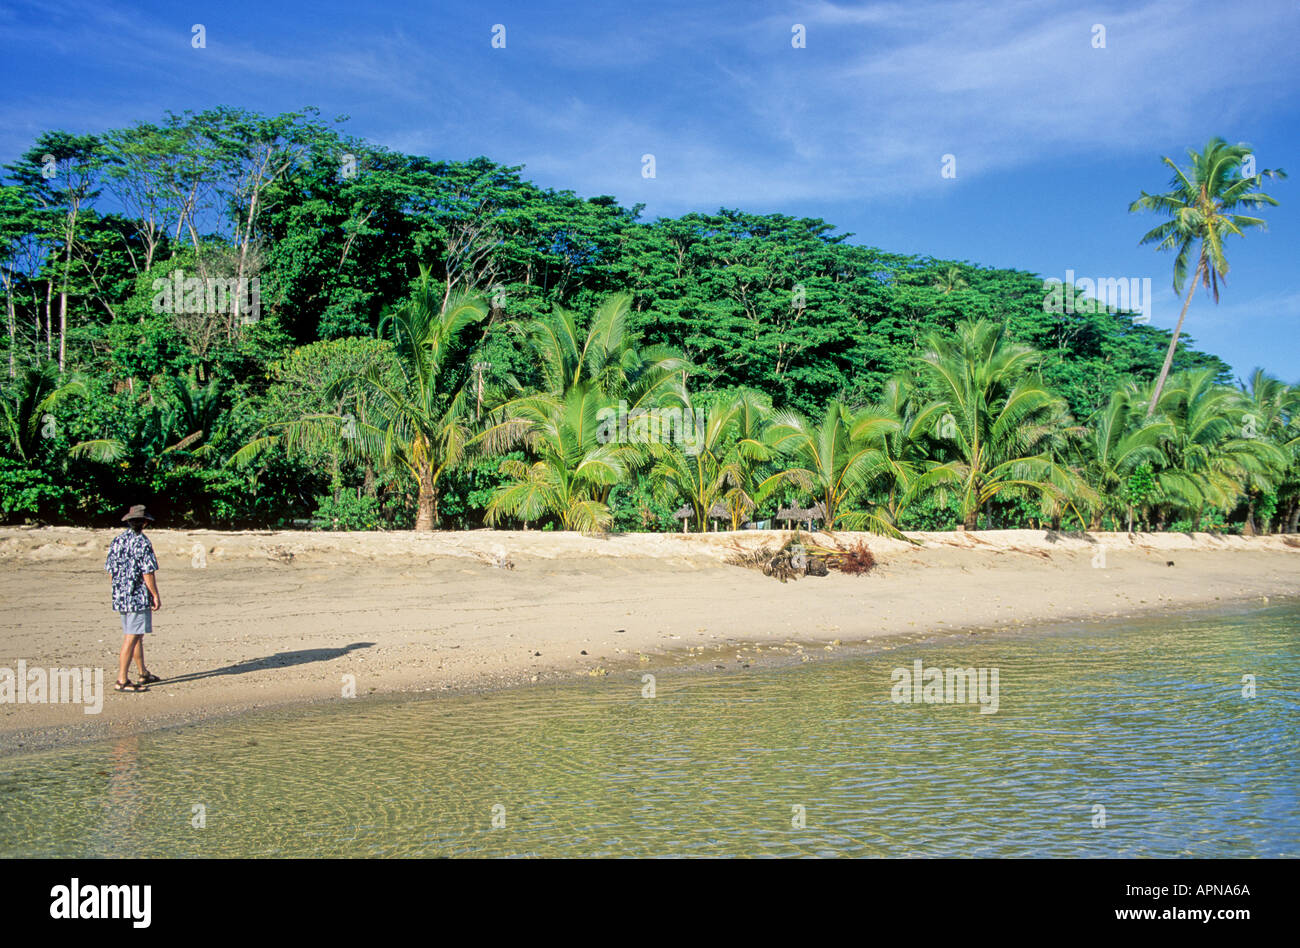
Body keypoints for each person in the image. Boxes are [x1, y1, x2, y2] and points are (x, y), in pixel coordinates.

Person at [105, 504, 162, 692]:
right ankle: (121, 679)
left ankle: (143, 672)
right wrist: (155, 595)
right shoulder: (143, 543)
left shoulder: (118, 540)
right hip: (137, 595)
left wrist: (118, 589)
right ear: (145, 523)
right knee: (132, 636)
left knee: (135, 634)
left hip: (120, 595)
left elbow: (111, 570)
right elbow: (148, 572)